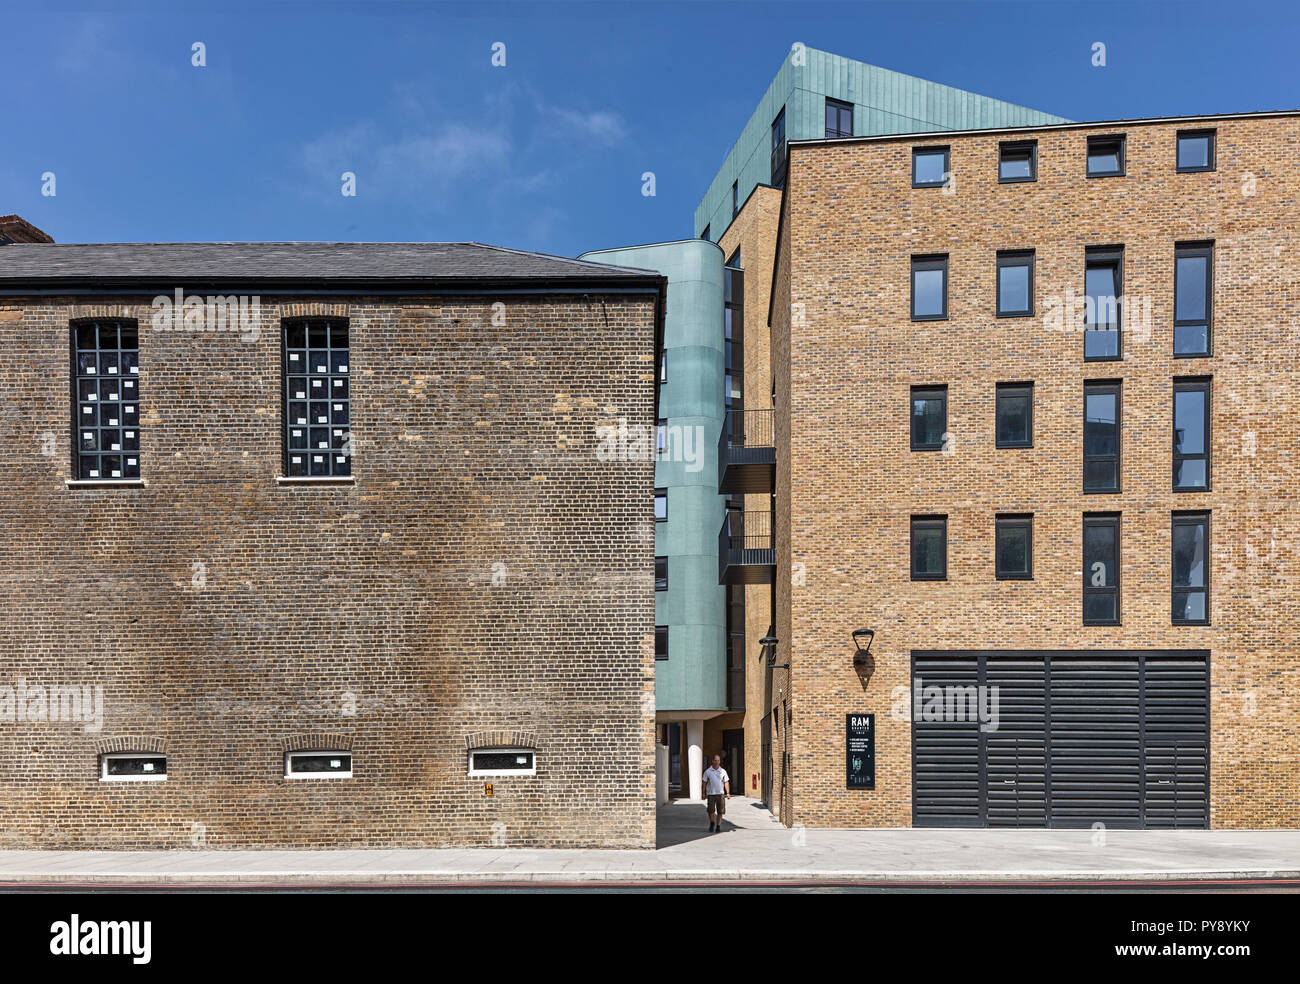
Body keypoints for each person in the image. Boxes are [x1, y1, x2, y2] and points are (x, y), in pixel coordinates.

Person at [701, 753, 730, 833]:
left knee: (720, 811)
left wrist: (728, 793)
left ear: (720, 761)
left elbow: (726, 782)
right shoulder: (708, 771)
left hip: (720, 794)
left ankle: (718, 826)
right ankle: (712, 823)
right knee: (711, 811)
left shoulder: (723, 771)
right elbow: (704, 783)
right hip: (711, 794)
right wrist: (703, 793)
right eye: (715, 760)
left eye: (718, 760)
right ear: (712, 761)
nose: (717, 762)